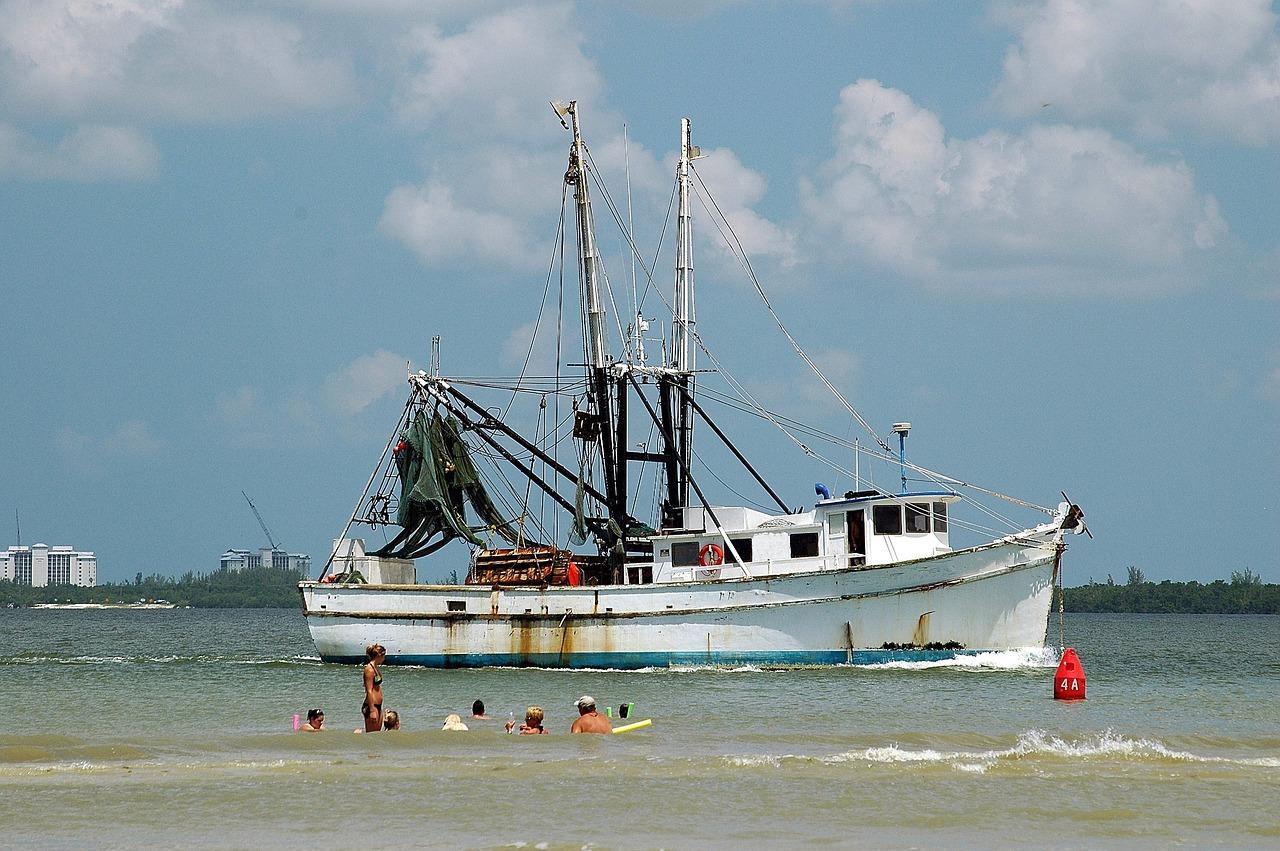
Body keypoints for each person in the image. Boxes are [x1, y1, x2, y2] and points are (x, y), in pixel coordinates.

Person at [361, 643, 386, 733]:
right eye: (384, 656)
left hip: (378, 705)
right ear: (379, 655)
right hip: (372, 706)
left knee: (377, 735)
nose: (384, 659)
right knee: (371, 734)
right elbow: (369, 690)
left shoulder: (375, 668)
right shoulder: (369, 669)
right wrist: (372, 710)